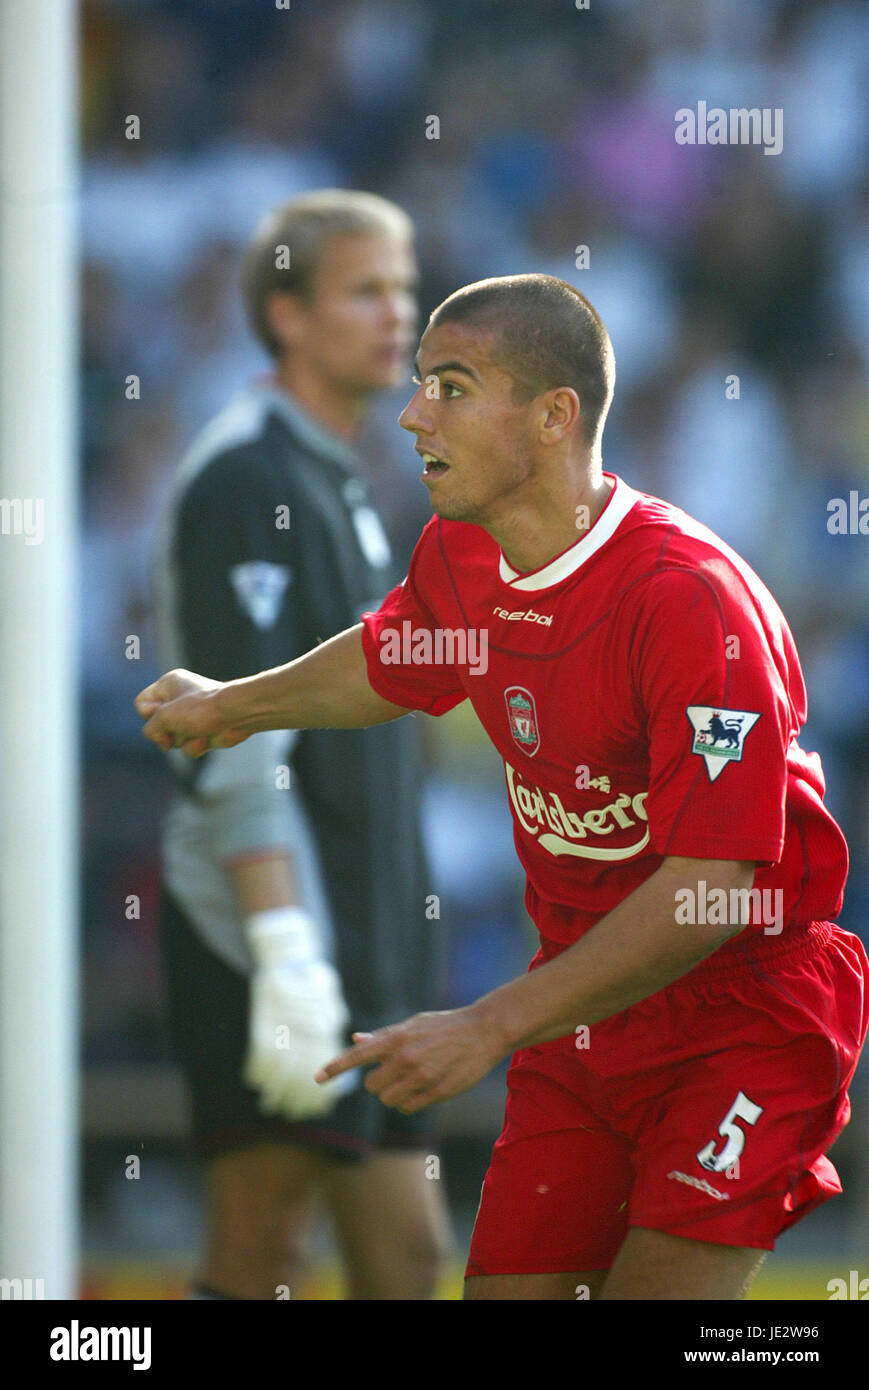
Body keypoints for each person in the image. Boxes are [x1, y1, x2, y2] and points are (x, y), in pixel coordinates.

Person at [138, 273, 868, 1301]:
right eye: (419, 383)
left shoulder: (687, 604)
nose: (408, 412)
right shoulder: (463, 554)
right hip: (578, 1008)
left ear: (553, 415)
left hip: (739, 1015)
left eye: (450, 385)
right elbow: (389, 658)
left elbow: (713, 885)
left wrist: (486, 1023)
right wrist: (234, 704)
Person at [149, 190, 449, 1301]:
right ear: (285, 314)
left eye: (402, 287)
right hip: (274, 936)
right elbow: (234, 729)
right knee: (259, 1253)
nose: (396, 314)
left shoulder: (341, 473)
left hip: (363, 946)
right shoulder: (246, 478)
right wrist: (280, 947)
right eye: (364, 288)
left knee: (405, 1257)